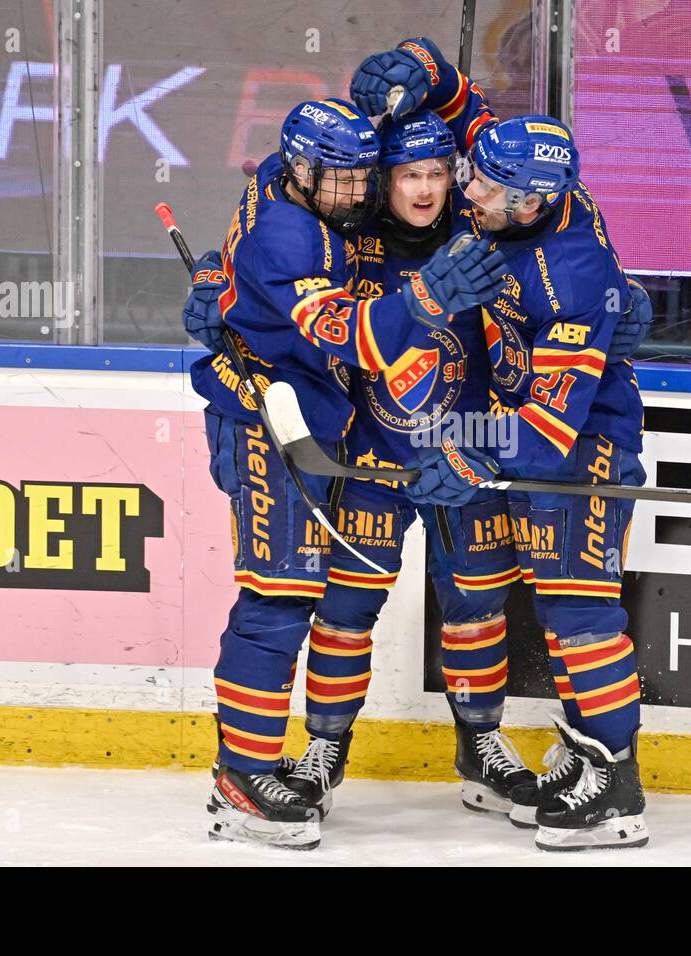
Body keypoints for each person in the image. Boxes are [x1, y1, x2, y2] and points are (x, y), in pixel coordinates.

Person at [352, 37, 651, 852]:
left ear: (530, 204)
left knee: (580, 616)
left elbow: (552, 434)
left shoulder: (575, 276)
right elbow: (469, 113)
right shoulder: (527, 179)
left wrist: (467, 450)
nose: (465, 189)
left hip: (583, 448)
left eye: (483, 185)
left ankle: (615, 786)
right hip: (520, 429)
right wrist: (427, 68)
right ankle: (571, 757)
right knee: (494, 600)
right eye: (471, 172)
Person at [184, 96, 506, 850]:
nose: (357, 191)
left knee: (289, 597)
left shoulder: (285, 182)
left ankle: (252, 767)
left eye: (367, 175)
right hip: (267, 420)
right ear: (304, 170)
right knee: (278, 596)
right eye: (343, 178)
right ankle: (242, 778)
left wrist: (217, 275)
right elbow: (354, 336)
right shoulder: (294, 231)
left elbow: (258, 192)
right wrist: (425, 298)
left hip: (303, 420)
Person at [283, 110, 538, 824]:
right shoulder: (346, 240)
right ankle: (325, 749)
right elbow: (279, 246)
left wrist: (490, 445)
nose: (424, 190)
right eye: (408, 175)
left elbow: (539, 314)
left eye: (435, 174)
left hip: (465, 457)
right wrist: (219, 277)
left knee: (478, 611)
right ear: (382, 178)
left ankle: (481, 745)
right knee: (342, 613)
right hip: (372, 461)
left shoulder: (483, 231)